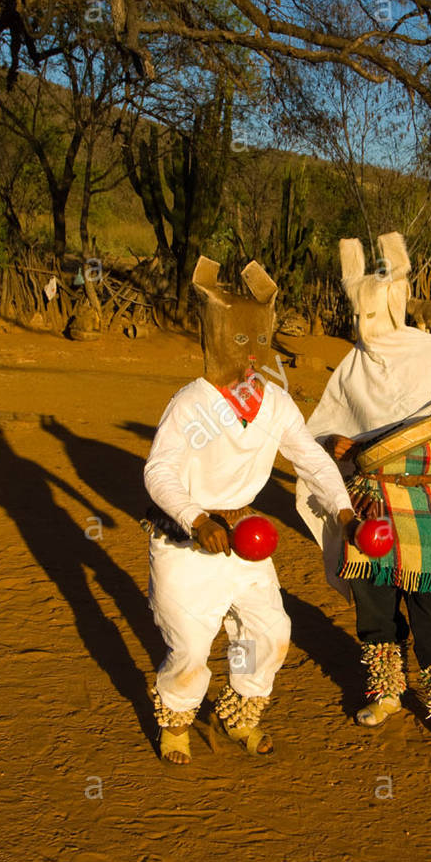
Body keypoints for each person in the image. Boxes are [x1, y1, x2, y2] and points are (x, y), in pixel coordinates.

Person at [143, 257, 356, 764]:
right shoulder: (190, 404)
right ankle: (176, 718)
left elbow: (312, 460)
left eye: (258, 344)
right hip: (185, 541)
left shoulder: (277, 403)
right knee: (191, 645)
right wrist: (197, 518)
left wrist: (345, 514)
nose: (250, 358)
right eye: (240, 343)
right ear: (214, 341)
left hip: (246, 536)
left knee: (268, 631)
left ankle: (240, 713)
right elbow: (158, 472)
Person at [296, 233, 431, 750]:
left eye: (373, 317)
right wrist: (332, 443)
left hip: (425, 502)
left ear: (395, 305)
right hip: (368, 505)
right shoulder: (352, 366)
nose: (364, 328)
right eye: (358, 318)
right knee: (374, 607)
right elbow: (318, 433)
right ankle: (385, 691)